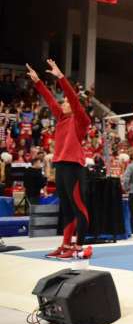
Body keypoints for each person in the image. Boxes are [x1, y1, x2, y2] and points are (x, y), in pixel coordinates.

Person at [26, 60, 92, 260]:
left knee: (79, 208)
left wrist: (61, 78)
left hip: (75, 168)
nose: (62, 104)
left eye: (66, 102)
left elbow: (72, 98)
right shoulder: (62, 119)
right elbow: (50, 99)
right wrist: (38, 82)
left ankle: (79, 246)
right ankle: (65, 245)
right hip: (61, 166)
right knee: (67, 209)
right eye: (61, 102)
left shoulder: (81, 120)